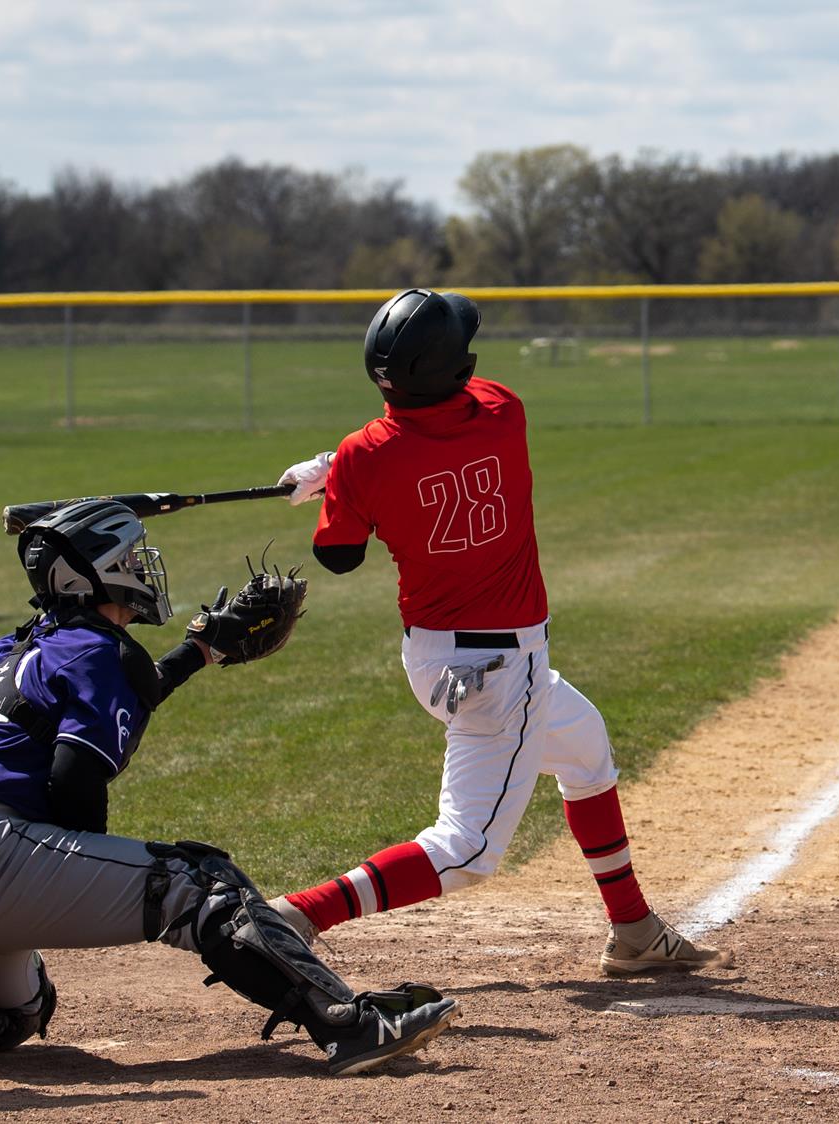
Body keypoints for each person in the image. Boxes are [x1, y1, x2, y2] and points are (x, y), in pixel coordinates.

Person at [0, 498, 459, 1081]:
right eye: (130, 559)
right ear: (92, 574)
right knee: (201, 883)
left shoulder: (26, 645)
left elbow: (115, 693)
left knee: (14, 1012)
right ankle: (345, 1024)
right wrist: (88, 871)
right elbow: (75, 777)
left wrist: (199, 653)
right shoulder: (99, 647)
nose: (144, 569)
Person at [267, 289, 731, 977]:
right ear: (454, 367)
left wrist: (337, 474)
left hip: (439, 657)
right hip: (497, 671)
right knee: (467, 849)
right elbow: (438, 430)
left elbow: (340, 555)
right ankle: (297, 916)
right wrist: (342, 465)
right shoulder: (503, 411)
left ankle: (633, 929)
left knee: (583, 749)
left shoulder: (367, 455)